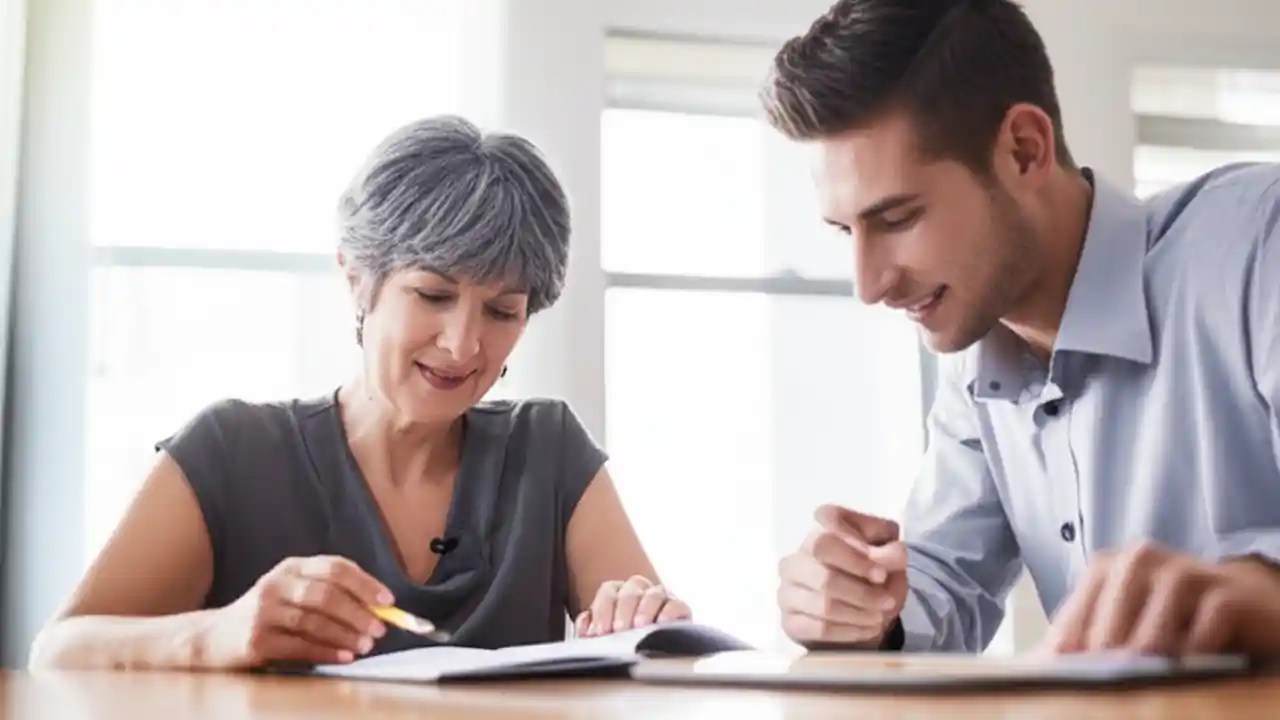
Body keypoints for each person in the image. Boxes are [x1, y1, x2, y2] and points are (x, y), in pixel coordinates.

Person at [29, 116, 688, 670]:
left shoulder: (548, 449)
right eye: (432, 295)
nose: (463, 344)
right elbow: (58, 652)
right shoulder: (233, 451)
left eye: (502, 311)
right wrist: (219, 631)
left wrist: (647, 624)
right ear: (356, 277)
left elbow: (657, 650)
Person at [762, 0, 1280, 656]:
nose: (869, 286)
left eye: (896, 219)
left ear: (1024, 150)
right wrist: (865, 608)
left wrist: (1258, 595)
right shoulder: (977, 347)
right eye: (846, 231)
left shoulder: (1258, 245)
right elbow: (942, 581)